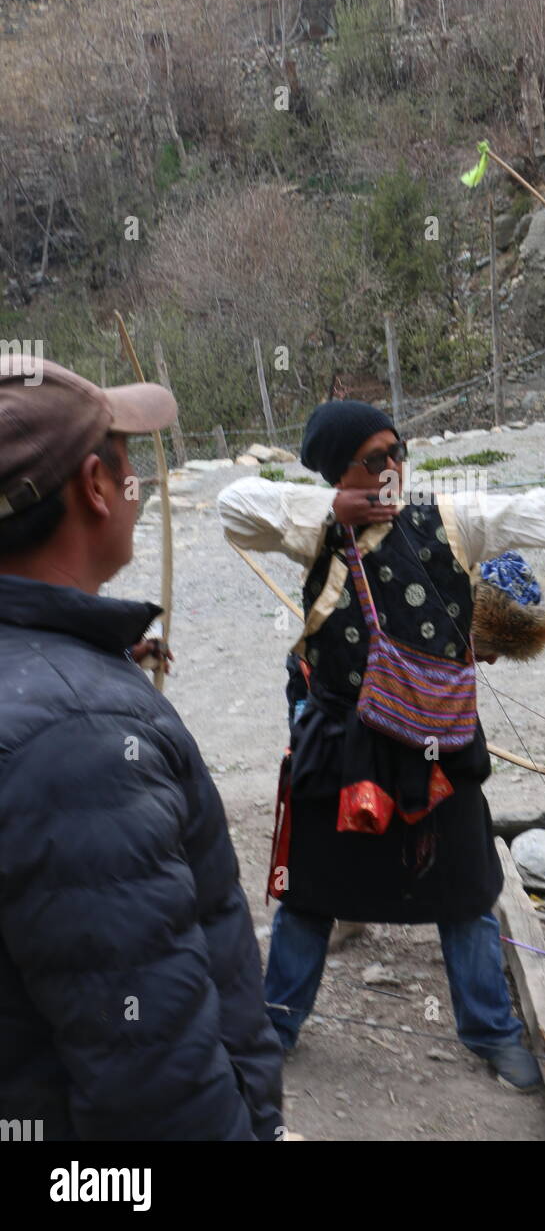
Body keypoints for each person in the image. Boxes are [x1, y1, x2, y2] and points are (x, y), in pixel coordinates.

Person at [218, 400, 545, 1091]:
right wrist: (335, 510)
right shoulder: (317, 524)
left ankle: (490, 1032)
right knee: (311, 894)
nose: (394, 466)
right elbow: (235, 504)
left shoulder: (452, 519)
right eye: (375, 457)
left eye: (399, 451)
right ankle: (274, 1027)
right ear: (342, 468)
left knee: (464, 892)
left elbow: (544, 511)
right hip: (343, 747)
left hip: (437, 745)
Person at [0, 355, 283, 1141]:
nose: (141, 486)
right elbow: (153, 1090)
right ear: (95, 485)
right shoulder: (81, 745)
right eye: (129, 465)